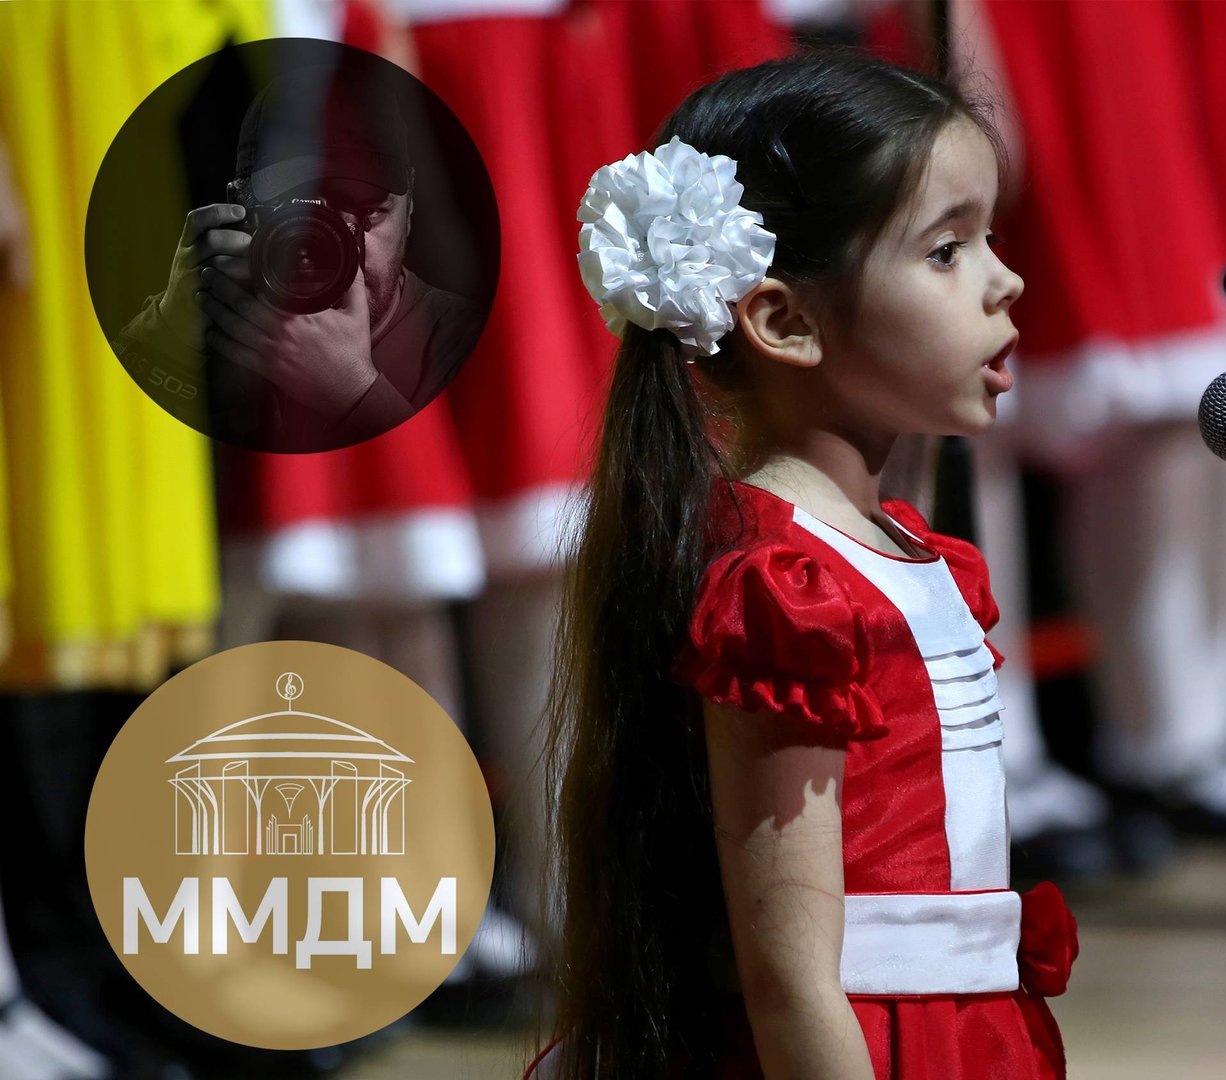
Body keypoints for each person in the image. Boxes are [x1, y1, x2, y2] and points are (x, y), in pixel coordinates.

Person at [531, 50, 1078, 1080]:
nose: (1005, 280)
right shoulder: (784, 591)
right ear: (784, 321)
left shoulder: (910, 555)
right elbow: (790, 981)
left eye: (991, 238)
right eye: (947, 250)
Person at [112, 64, 485, 452]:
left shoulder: (466, 342)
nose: (326, 242)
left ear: (409, 212)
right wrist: (164, 335)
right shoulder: (202, 320)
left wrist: (356, 392)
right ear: (237, 206)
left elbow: (475, 483)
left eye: (367, 212)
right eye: (295, 211)